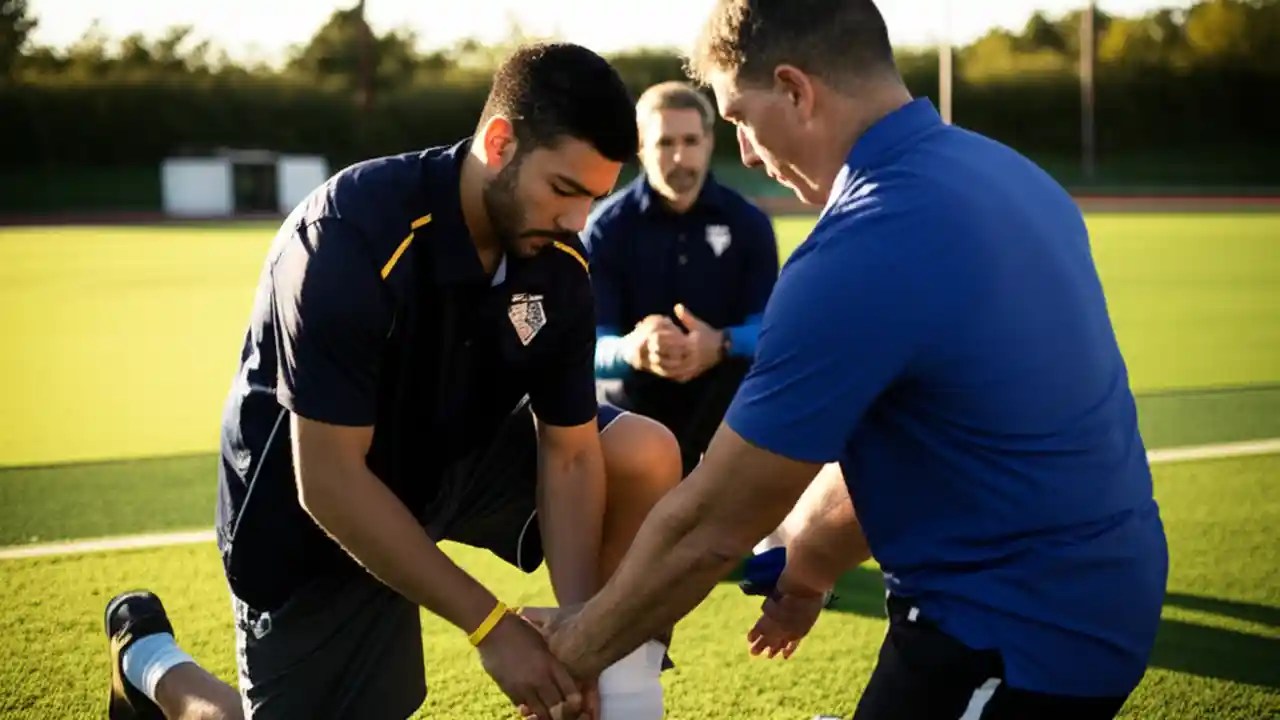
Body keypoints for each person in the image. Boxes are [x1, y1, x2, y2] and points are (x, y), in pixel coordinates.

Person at [533, 2, 1170, 719]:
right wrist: (806, 570)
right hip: (1088, 593)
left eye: (740, 117)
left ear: (797, 90)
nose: (743, 151)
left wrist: (574, 647)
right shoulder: (1012, 176)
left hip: (1012, 633)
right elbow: (921, 438)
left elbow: (710, 528)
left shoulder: (866, 241)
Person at [103, 42, 682, 720]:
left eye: (594, 197)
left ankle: (617, 693)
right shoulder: (348, 236)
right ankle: (147, 660)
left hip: (449, 459)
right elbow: (328, 482)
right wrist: (492, 627)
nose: (578, 221)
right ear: (499, 143)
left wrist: (578, 639)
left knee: (641, 453)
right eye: (563, 190)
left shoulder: (557, 260)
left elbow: (573, 451)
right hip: (311, 510)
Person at [584, 80, 779, 476]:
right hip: (633, 407)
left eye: (691, 141)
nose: (679, 157)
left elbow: (773, 335)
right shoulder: (605, 230)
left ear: (709, 142)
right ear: (639, 147)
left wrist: (720, 343)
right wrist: (633, 350)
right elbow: (586, 350)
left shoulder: (748, 224)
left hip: (723, 409)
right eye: (664, 143)